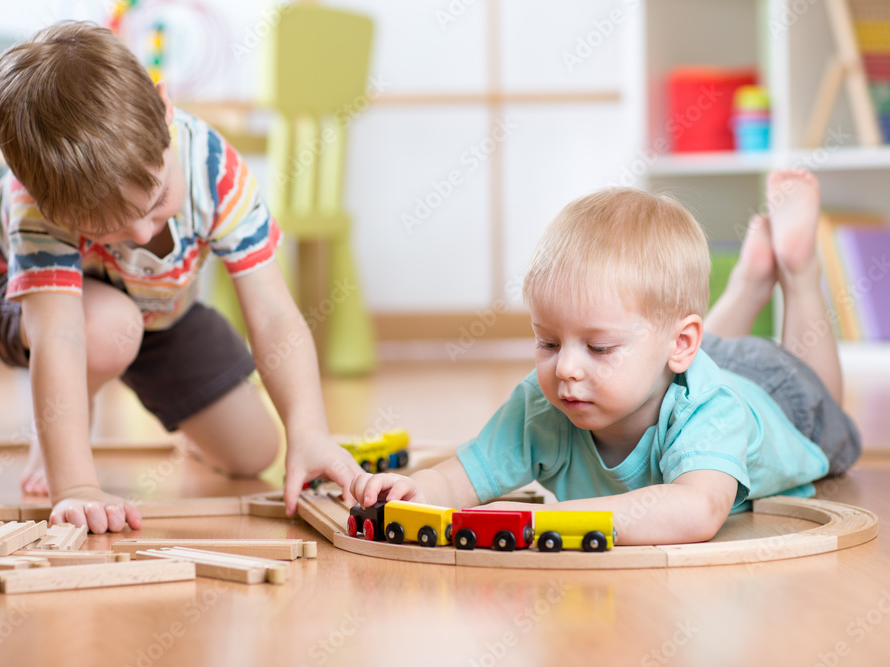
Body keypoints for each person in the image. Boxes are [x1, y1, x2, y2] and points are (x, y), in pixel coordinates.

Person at [0, 21, 360, 533]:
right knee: (109, 328)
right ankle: (60, 429)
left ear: (166, 114)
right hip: (33, 308)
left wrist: (310, 430)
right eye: (110, 229)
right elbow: (58, 335)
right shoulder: (36, 206)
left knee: (254, 451)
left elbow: (274, 314)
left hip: (160, 310)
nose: (144, 234)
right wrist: (75, 487)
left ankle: (107, 408)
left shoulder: (215, 170)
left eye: (158, 203)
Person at [350, 169, 861, 545]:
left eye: (598, 348)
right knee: (686, 340)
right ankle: (749, 281)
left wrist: (557, 520)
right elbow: (461, 477)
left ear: (680, 346)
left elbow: (696, 509)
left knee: (821, 396)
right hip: (693, 358)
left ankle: (796, 269)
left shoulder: (711, 412)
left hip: (778, 399)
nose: (566, 368)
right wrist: (414, 491)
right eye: (548, 342)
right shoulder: (542, 403)